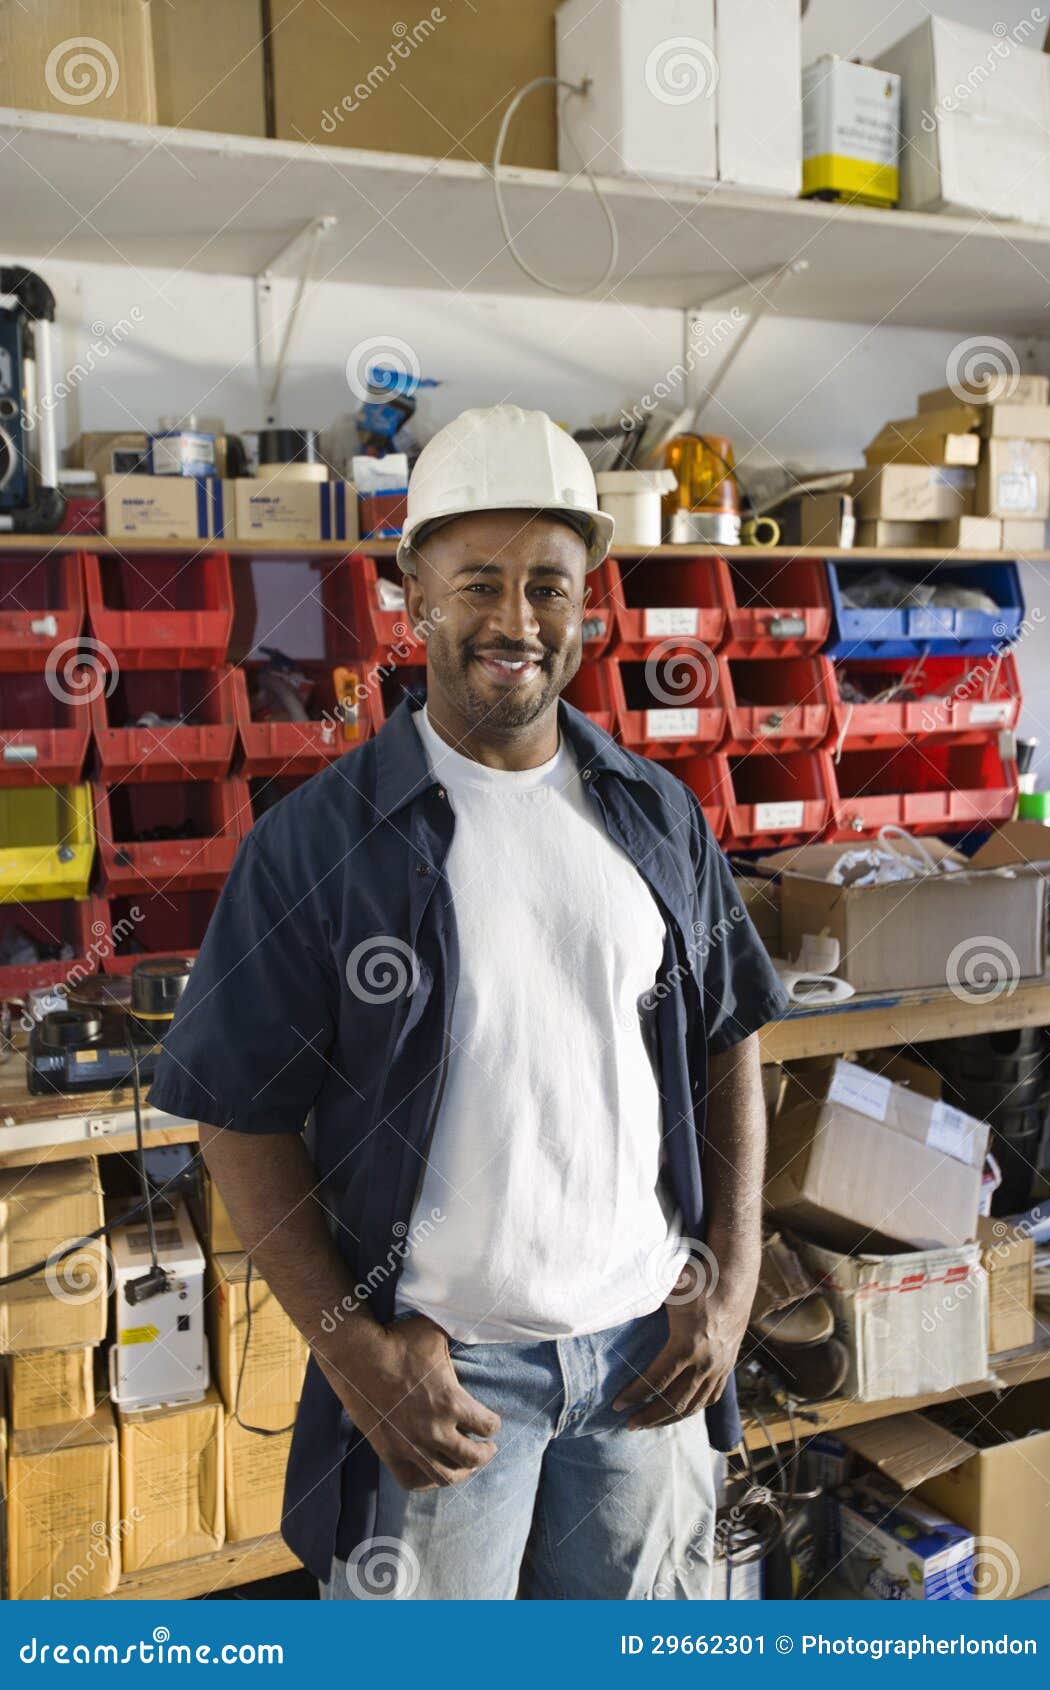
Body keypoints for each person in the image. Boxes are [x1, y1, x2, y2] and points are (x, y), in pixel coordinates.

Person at [147, 404, 790, 1600]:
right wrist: (353, 1351)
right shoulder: (317, 845)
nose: (515, 621)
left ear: (586, 600)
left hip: (649, 1356)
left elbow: (728, 1038)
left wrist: (733, 1280)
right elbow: (236, 1114)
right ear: (412, 599)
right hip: (444, 1382)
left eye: (547, 586)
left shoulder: (655, 812)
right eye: (478, 584)